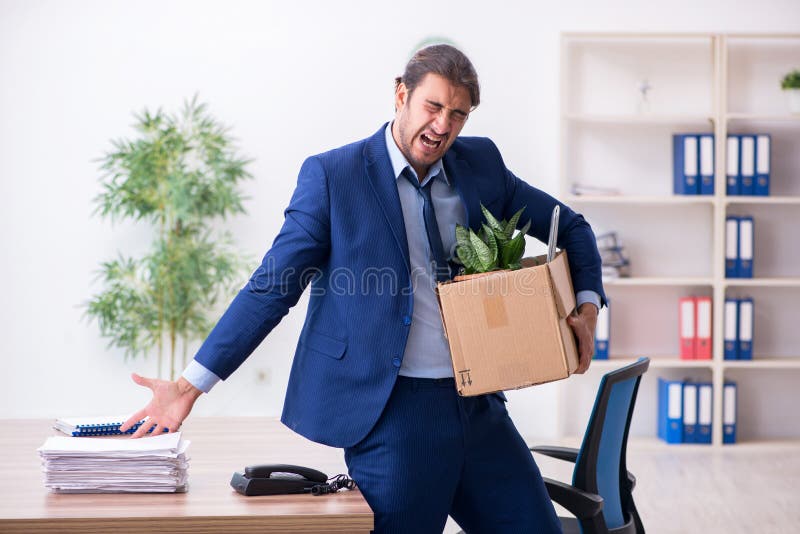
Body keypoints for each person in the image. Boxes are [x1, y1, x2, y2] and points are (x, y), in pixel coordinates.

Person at [121, 44, 605, 533]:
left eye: (458, 114)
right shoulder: (335, 176)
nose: (443, 126)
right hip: (394, 415)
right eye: (433, 106)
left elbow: (572, 227)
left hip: (479, 405)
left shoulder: (480, 164)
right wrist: (189, 386)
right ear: (401, 95)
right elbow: (271, 288)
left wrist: (586, 309)